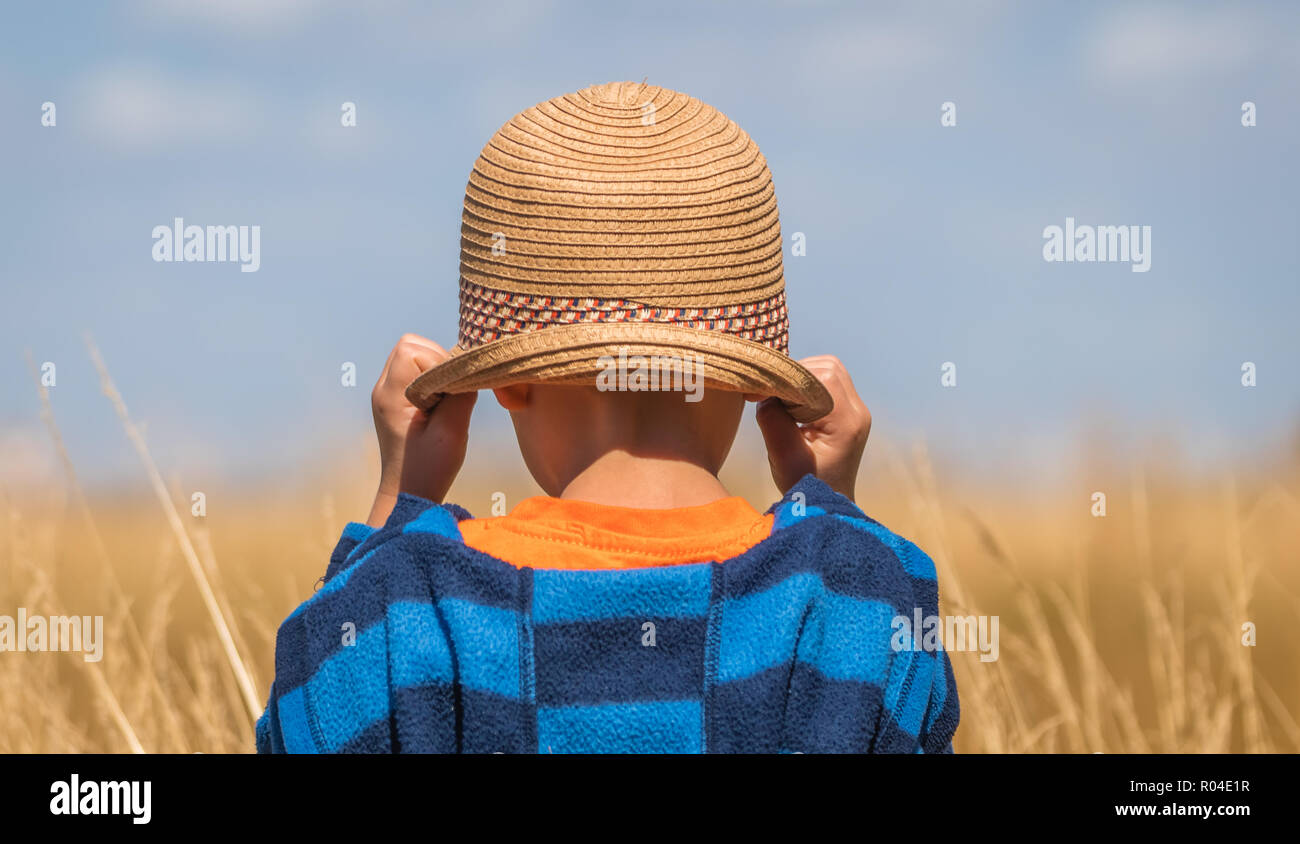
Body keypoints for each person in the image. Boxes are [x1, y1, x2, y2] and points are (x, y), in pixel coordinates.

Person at [257, 82, 959, 753]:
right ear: (754, 386)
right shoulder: (861, 592)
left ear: (507, 383)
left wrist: (397, 505)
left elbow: (307, 718)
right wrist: (831, 514)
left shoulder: (406, 598)